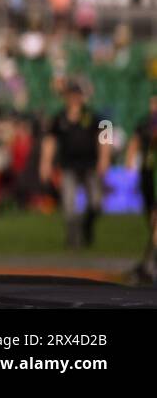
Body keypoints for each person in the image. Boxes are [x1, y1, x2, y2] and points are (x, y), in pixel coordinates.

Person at [39, 81, 111, 249]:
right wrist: (46, 163)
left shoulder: (91, 116)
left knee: (96, 202)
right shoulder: (60, 118)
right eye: (70, 95)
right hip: (68, 166)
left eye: (76, 95)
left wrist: (104, 159)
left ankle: (87, 227)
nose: (73, 99)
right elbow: (50, 141)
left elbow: (105, 134)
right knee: (70, 206)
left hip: (90, 164)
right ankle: (73, 238)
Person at [125, 95, 157, 279]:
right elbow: (135, 141)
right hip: (149, 174)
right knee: (151, 216)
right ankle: (150, 265)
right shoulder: (145, 123)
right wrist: (130, 162)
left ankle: (150, 265)